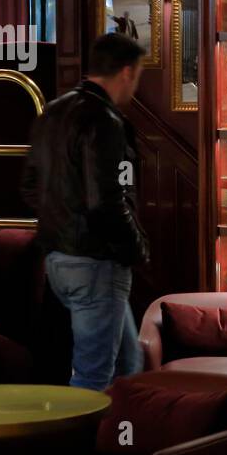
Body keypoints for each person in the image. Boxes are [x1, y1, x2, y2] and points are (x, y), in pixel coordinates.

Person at [21, 33, 149, 391]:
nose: (134, 88)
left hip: (58, 259)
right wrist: (136, 246)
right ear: (126, 72)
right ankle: (79, 447)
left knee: (127, 364)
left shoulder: (54, 111)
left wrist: (62, 221)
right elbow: (105, 202)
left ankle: (121, 440)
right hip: (96, 263)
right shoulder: (104, 120)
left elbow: (30, 187)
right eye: (136, 77)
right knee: (94, 376)